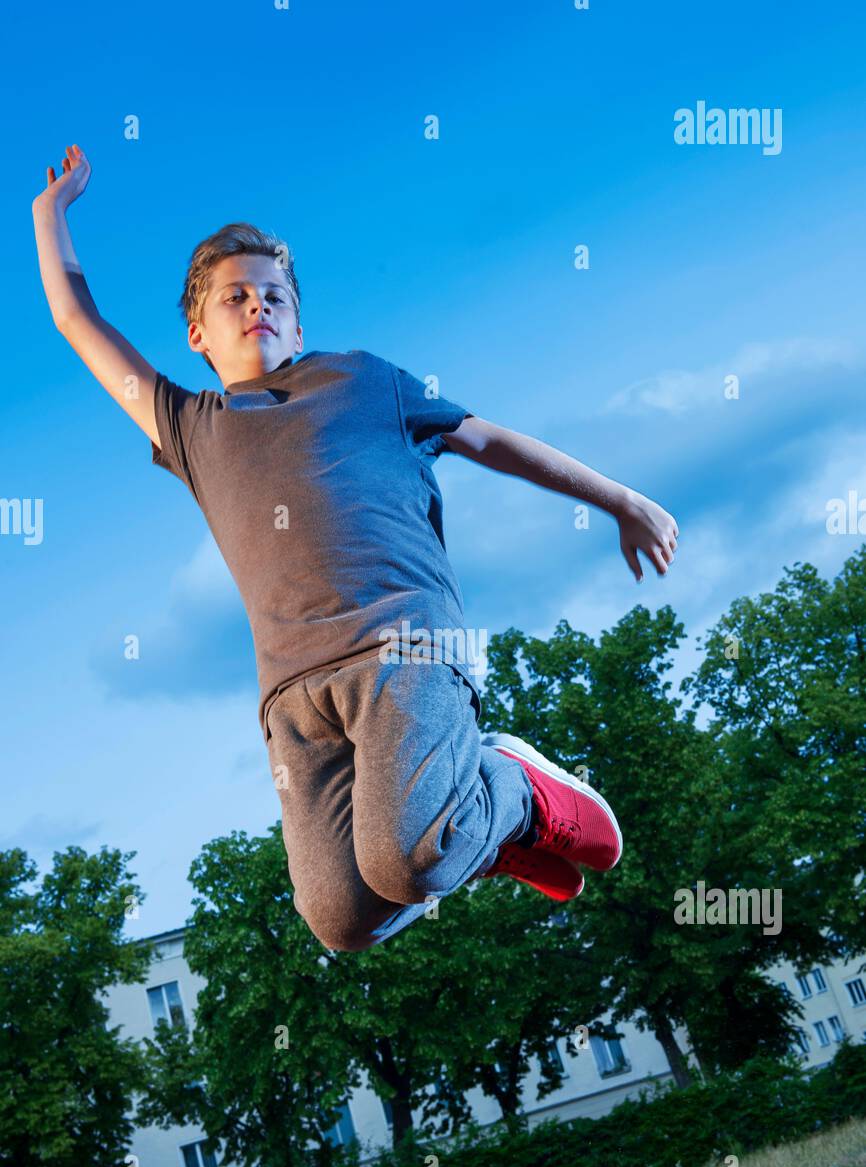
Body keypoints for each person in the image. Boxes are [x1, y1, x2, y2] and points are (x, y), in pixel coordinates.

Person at [33, 144, 679, 951]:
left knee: (409, 858)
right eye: (233, 297)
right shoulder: (190, 427)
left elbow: (493, 441)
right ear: (198, 332)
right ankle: (473, 823)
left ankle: (511, 789)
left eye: (274, 295)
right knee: (340, 921)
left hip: (401, 641)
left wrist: (618, 499)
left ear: (299, 321)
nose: (256, 306)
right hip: (293, 699)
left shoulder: (368, 382)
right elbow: (75, 322)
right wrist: (48, 214)